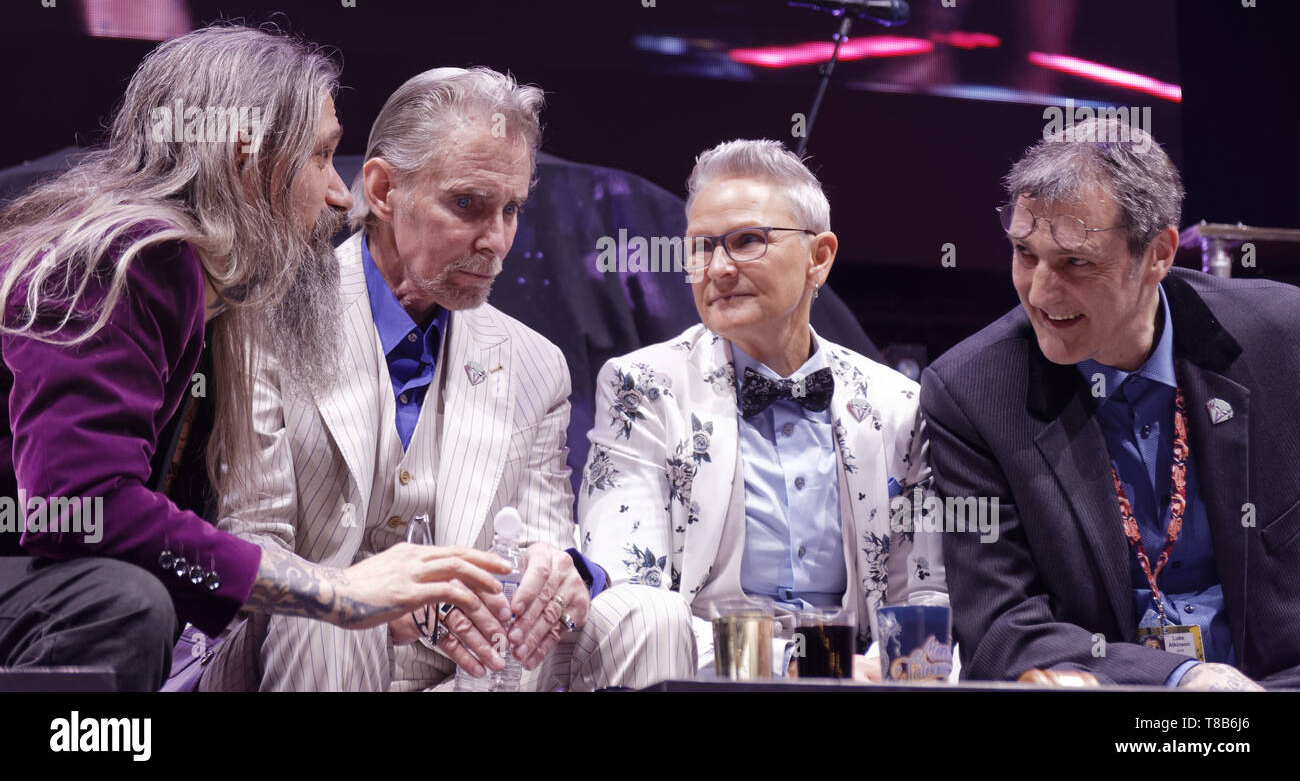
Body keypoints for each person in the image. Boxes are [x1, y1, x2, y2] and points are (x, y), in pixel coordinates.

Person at [0, 25, 511, 691]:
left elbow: (189, 544)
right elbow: (80, 502)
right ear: (247, 158)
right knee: (121, 600)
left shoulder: (209, 289)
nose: (340, 194)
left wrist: (364, 600)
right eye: (322, 156)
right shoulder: (121, 261)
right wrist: (330, 592)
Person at [202, 66, 695, 691]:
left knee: (651, 614)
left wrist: (557, 569)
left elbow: (537, 546)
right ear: (382, 191)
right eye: (467, 204)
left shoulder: (535, 363)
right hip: (308, 649)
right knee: (330, 619)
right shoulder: (264, 322)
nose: (495, 241)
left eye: (511, 209)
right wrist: (369, 596)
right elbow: (249, 545)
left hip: (470, 671)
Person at [922, 115, 1300, 689]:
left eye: (1076, 261)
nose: (1041, 293)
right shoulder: (972, 392)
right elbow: (1003, 629)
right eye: (1025, 254)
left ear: (1158, 254)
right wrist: (1181, 680)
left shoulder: (1282, 338)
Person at [580, 138, 947, 677]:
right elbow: (634, 603)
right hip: (701, 680)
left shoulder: (899, 406)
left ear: (818, 258)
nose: (718, 268)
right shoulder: (642, 387)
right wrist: (819, 666)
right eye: (702, 247)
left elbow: (924, 591)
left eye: (747, 241)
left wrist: (899, 671)